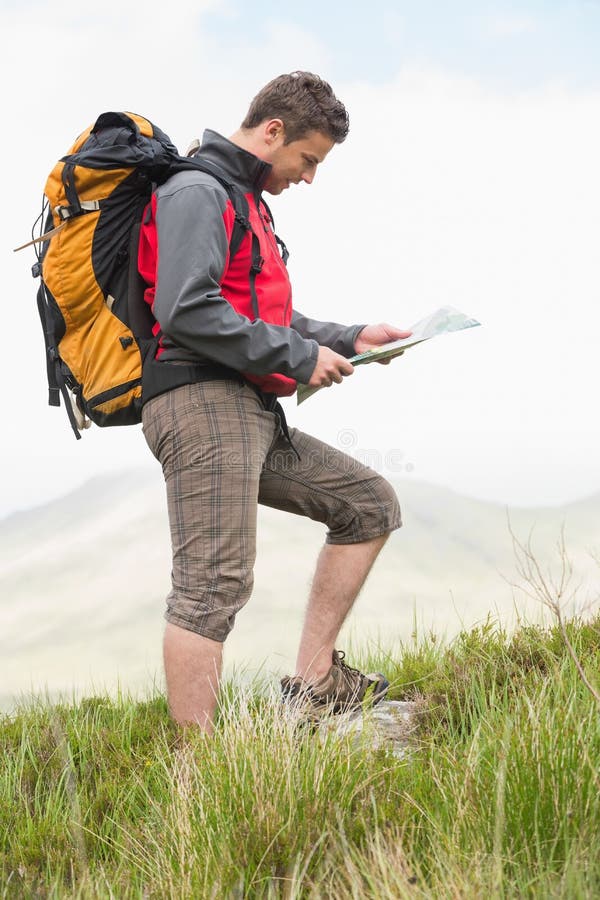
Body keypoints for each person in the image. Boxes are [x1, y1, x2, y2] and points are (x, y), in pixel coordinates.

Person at [138, 71, 411, 732]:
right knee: (212, 588)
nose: (310, 177)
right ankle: (198, 785)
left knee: (367, 504)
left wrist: (348, 338)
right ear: (273, 131)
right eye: (308, 159)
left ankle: (315, 685)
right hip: (201, 401)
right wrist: (299, 359)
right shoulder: (198, 190)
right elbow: (186, 310)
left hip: (249, 407)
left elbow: (261, 314)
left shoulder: (246, 198)